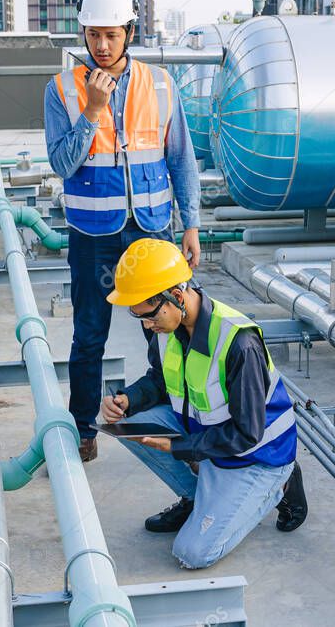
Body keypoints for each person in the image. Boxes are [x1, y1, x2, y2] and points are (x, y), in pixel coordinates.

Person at [44, 0, 201, 462]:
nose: (103, 45)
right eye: (94, 35)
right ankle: (84, 427)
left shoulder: (161, 85)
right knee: (90, 335)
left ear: (130, 32)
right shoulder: (62, 90)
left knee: (167, 331)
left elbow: (181, 159)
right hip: (93, 235)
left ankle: (179, 419)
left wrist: (191, 222)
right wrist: (92, 108)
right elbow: (63, 164)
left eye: (112, 34)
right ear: (83, 33)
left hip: (154, 231)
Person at [100, 238, 308, 569]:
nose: (146, 325)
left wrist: (181, 446)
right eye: (137, 315)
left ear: (177, 297)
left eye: (149, 315)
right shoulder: (167, 327)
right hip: (208, 438)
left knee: (192, 553)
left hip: (255, 456)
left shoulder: (239, 343)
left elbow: (246, 433)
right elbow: (160, 379)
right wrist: (129, 399)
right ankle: (198, 499)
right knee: (124, 427)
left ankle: (282, 484)